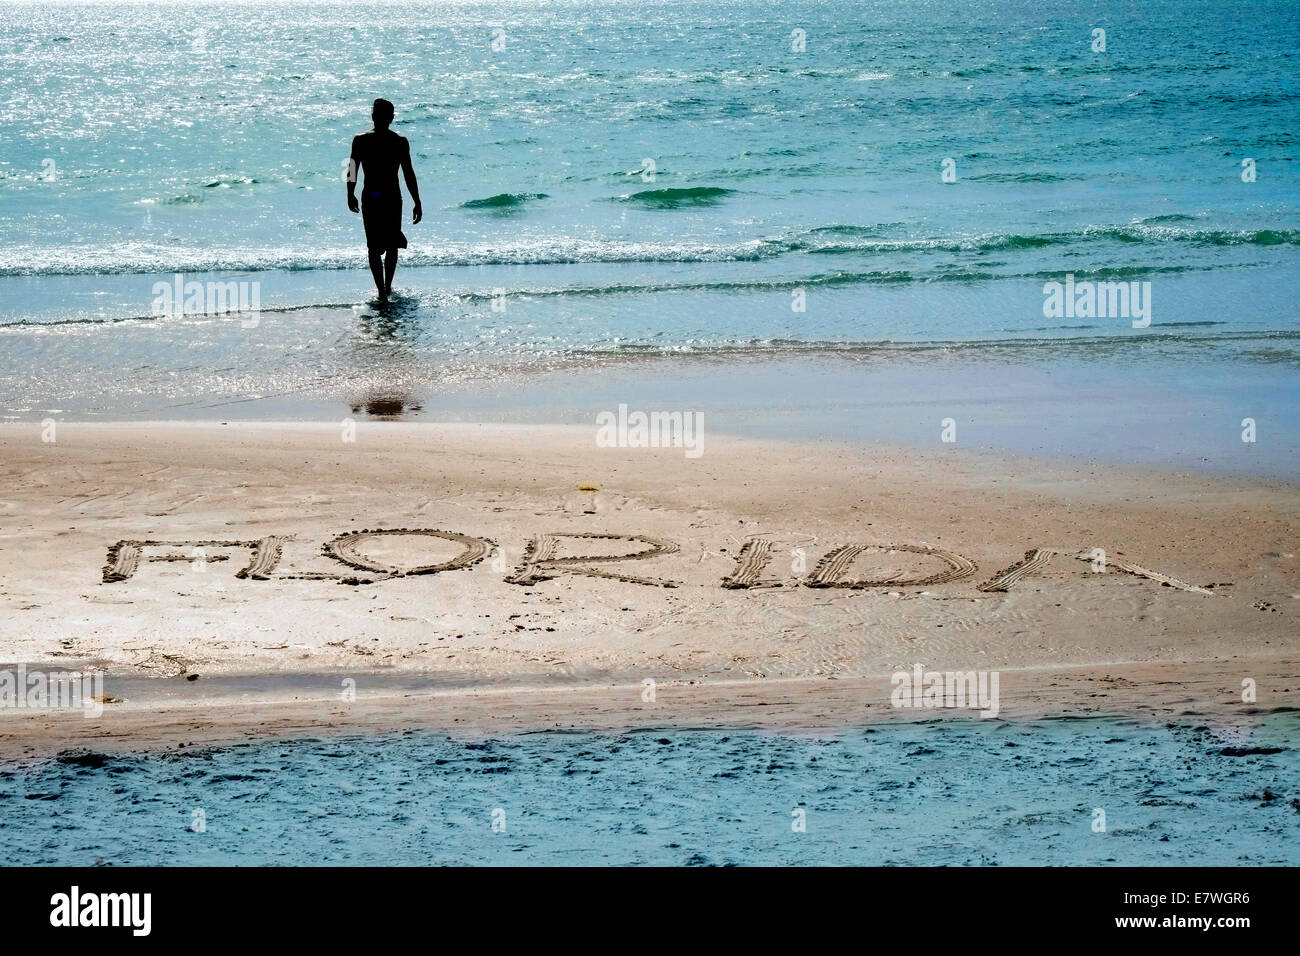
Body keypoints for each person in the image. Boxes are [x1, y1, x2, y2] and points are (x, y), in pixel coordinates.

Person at [347, 98, 422, 301]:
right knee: (390, 245)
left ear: (373, 117)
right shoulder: (398, 142)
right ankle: (386, 288)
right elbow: (409, 174)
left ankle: (382, 290)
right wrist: (417, 201)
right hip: (391, 198)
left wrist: (350, 193)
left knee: (376, 247)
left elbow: (352, 169)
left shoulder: (361, 140)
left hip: (372, 197)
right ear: (391, 118)